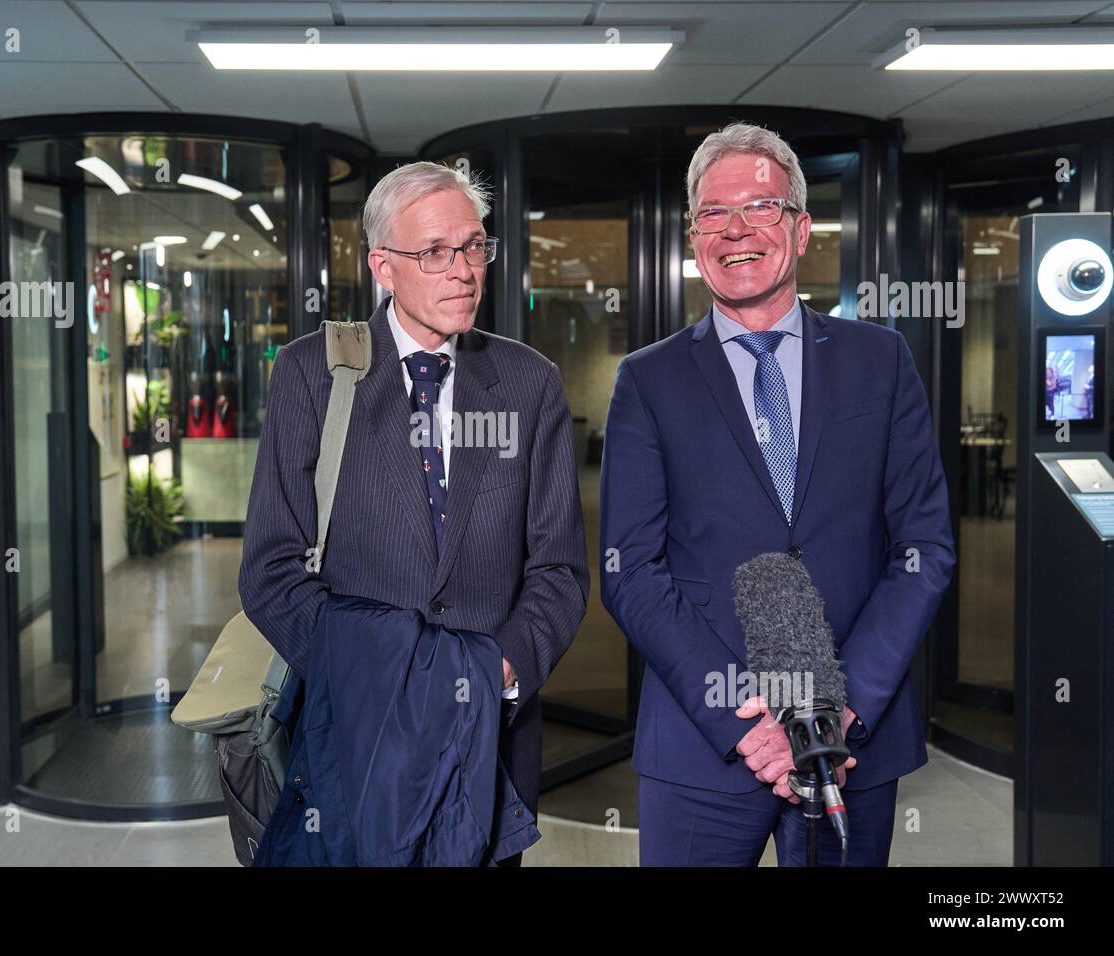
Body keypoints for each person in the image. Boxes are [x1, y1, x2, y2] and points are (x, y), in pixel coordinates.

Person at [600, 123, 955, 866]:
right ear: (693, 237)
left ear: (799, 227)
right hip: (706, 747)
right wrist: (747, 725)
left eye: (759, 207)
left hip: (854, 741)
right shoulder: (649, 379)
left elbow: (922, 548)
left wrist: (839, 705)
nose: (735, 231)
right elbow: (630, 570)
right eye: (712, 214)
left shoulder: (882, 362)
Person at [238, 160, 589, 866]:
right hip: (357, 740)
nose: (463, 270)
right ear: (383, 267)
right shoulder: (315, 374)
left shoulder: (529, 384)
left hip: (489, 737)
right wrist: (382, 684)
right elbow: (272, 571)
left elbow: (559, 571)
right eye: (435, 252)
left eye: (475, 246)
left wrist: (495, 674)